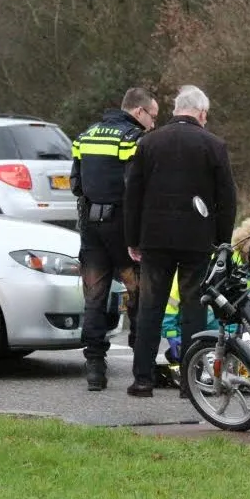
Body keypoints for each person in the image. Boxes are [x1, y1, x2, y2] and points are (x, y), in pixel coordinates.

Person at [124, 85, 237, 398]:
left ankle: (142, 379)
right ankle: (190, 382)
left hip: (154, 238)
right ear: (201, 113)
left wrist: (132, 238)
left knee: (150, 307)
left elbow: (133, 194)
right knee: (193, 310)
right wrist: (222, 241)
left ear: (176, 111)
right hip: (196, 240)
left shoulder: (148, 142)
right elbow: (226, 198)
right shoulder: (214, 145)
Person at [69, 87, 158, 391]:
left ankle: (95, 368)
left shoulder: (85, 136)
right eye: (152, 117)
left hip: (91, 228)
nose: (153, 124)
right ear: (138, 111)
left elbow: (76, 185)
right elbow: (135, 186)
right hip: (123, 228)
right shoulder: (132, 138)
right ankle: (141, 366)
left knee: (94, 298)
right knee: (138, 294)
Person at [155, 215, 250, 387]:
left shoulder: (241, 266)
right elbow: (174, 296)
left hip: (210, 321)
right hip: (199, 320)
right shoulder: (223, 265)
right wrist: (171, 332)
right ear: (248, 247)